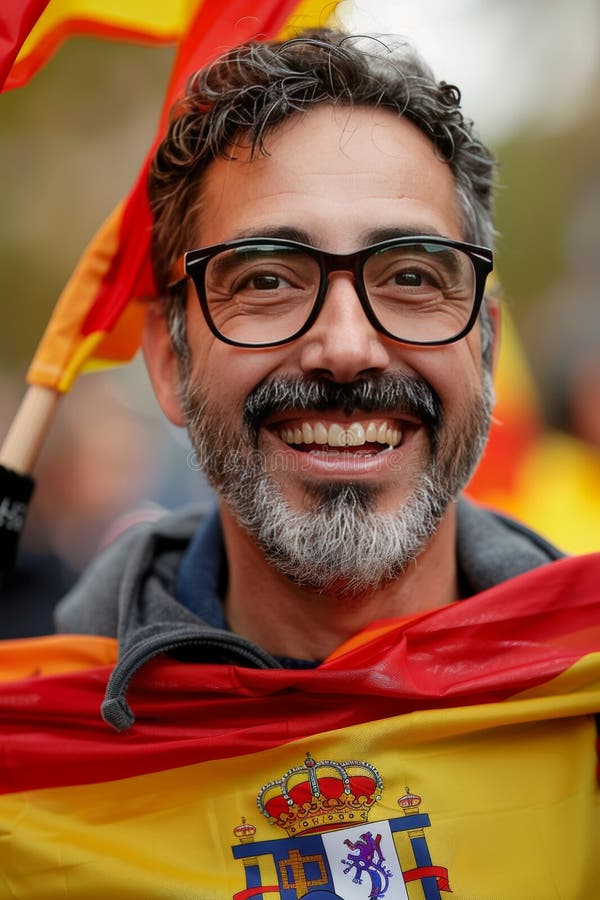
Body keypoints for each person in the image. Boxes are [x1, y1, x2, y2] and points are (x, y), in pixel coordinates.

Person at [49, 29, 598, 898]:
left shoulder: (585, 708)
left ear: (487, 350)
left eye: (413, 275)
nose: (346, 348)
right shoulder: (35, 776)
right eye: (266, 278)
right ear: (168, 359)